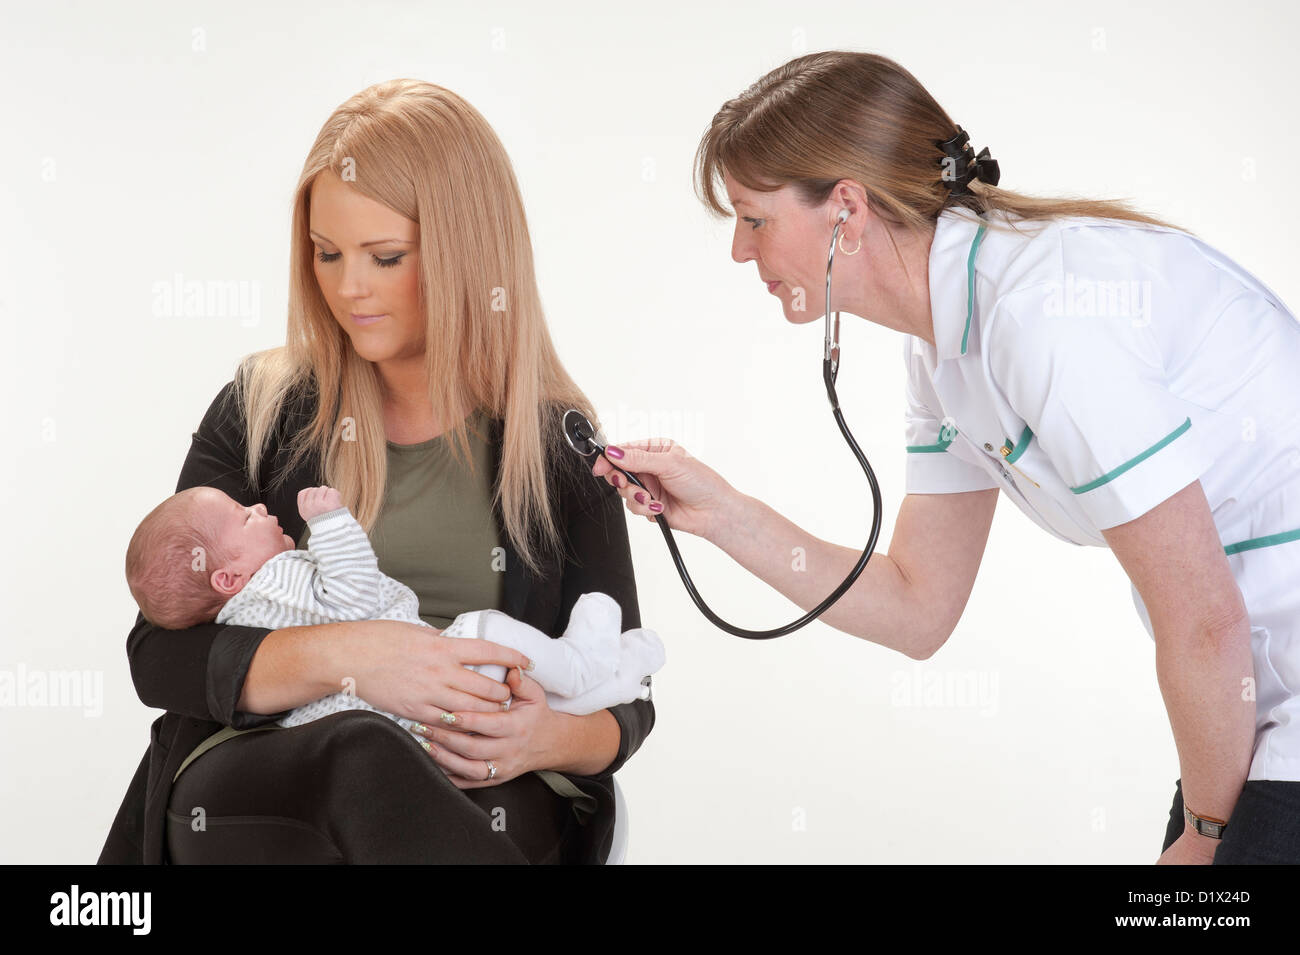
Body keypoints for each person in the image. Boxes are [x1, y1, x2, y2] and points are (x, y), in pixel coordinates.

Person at [590, 50, 1300, 865]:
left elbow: (1202, 618)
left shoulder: (1044, 319)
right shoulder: (945, 347)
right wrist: (717, 511)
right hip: (1249, 704)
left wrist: (1204, 836)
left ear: (845, 210)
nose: (740, 253)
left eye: (754, 219)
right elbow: (918, 608)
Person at [98, 78, 655, 865]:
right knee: (358, 747)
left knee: (395, 780)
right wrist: (359, 660)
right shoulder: (261, 409)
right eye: (327, 254)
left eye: (384, 256)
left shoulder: (556, 442)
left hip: (477, 782)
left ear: (469, 253)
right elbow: (159, 653)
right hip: (269, 764)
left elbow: (628, 692)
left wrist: (546, 736)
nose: (347, 287)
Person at [122, 481, 664, 724]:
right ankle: (582, 664)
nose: (261, 506)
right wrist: (331, 525)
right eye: (245, 516)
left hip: (411, 724)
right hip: (418, 695)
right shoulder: (274, 584)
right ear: (227, 577)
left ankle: (609, 685)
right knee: (485, 626)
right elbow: (356, 602)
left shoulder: (250, 609)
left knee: (533, 703)